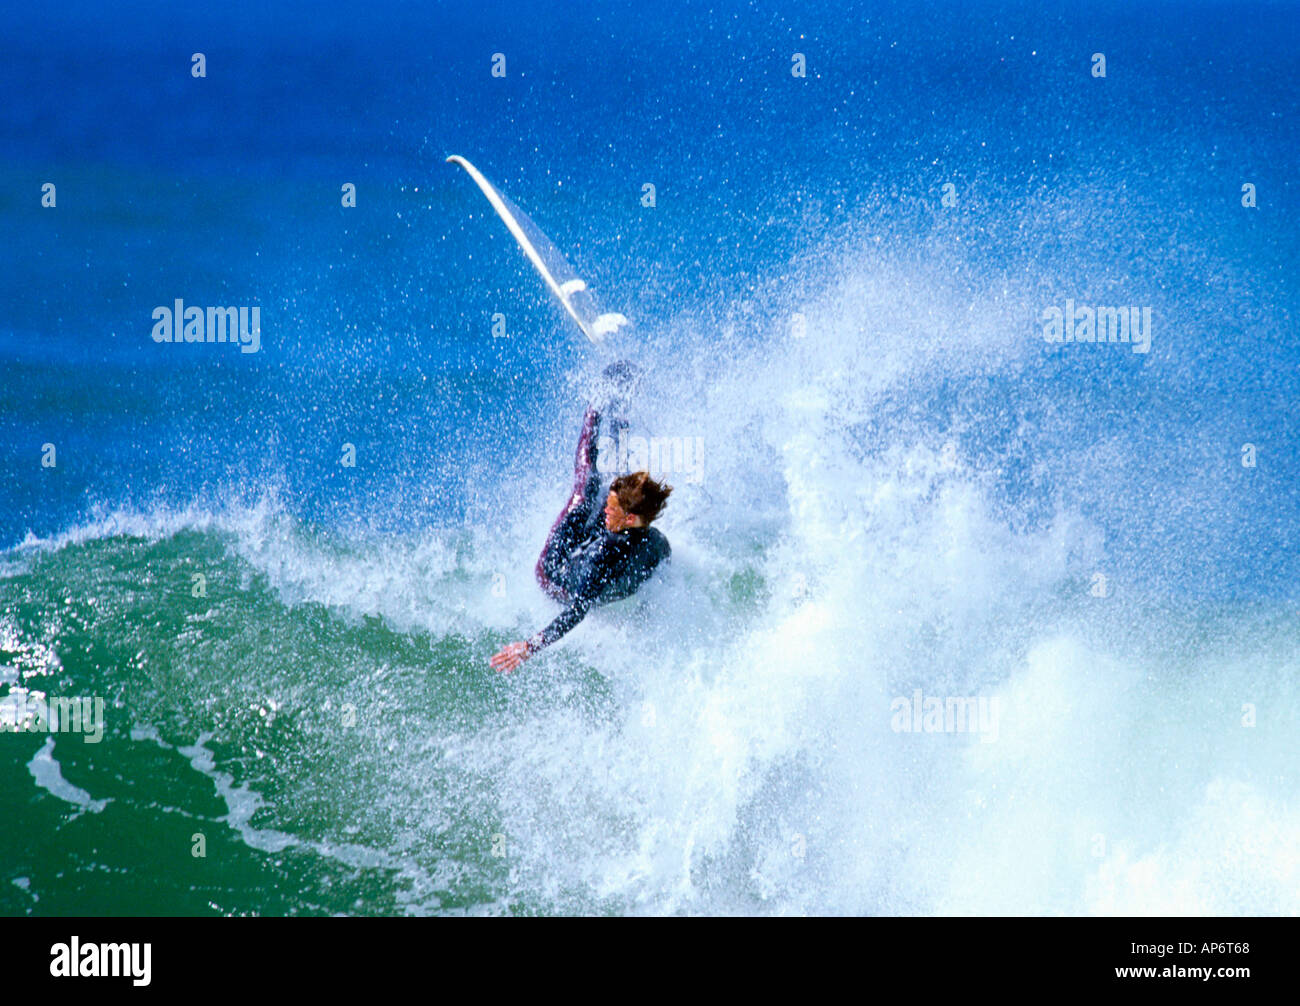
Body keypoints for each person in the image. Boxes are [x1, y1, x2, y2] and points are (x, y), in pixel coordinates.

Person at [489, 393, 672, 674]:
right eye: (609, 506)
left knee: (586, 491)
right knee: (613, 480)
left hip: (553, 575)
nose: (606, 511)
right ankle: (618, 410)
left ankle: (595, 407)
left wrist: (527, 647)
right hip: (587, 574)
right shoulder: (652, 537)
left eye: (611, 509)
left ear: (630, 518)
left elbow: (577, 611)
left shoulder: (603, 556)